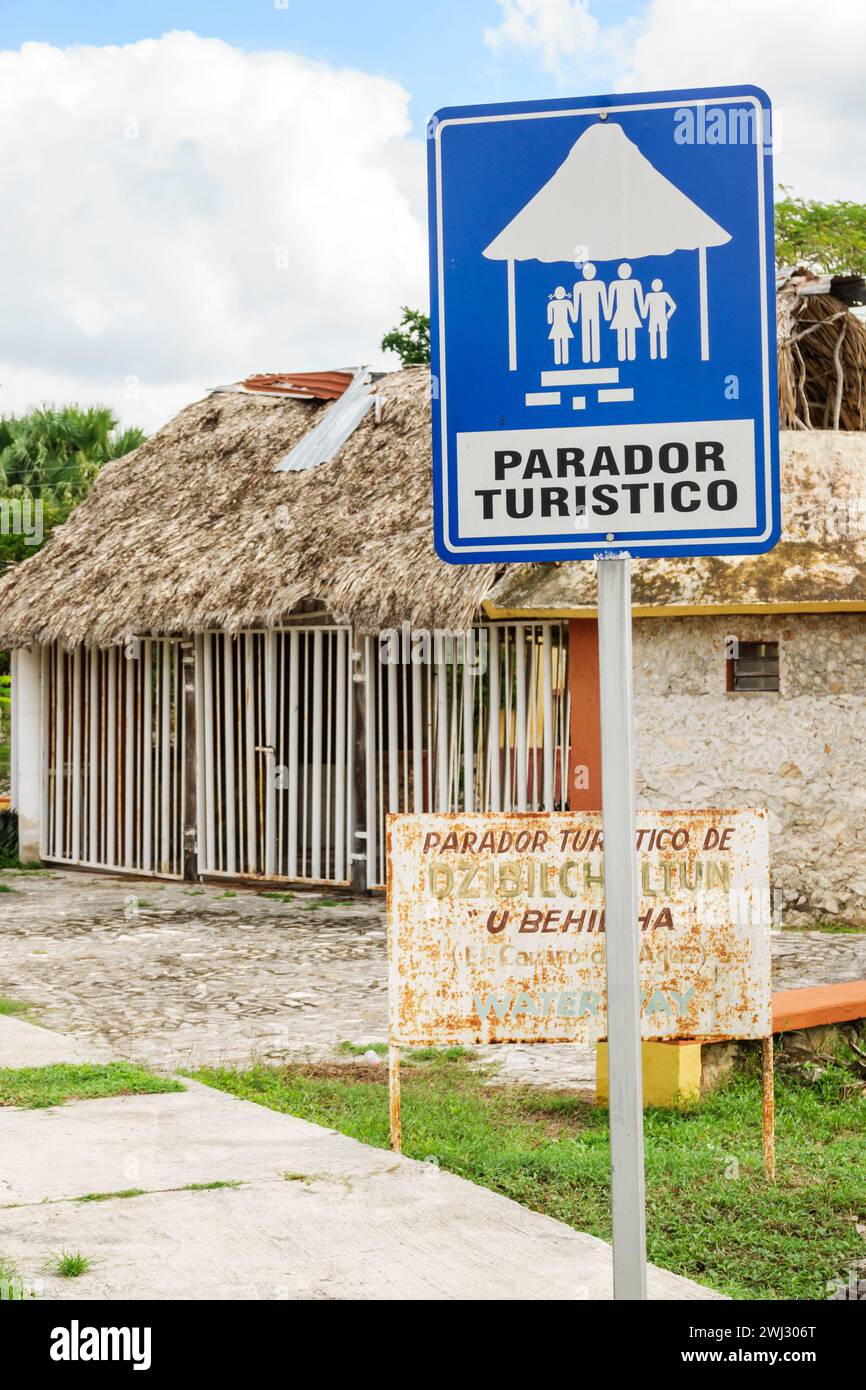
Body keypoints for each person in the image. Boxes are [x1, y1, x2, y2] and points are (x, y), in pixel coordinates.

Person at [571, 262, 610, 364]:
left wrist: (607, 314)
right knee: (585, 334)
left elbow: (603, 300)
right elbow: (576, 302)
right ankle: (586, 357)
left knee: (595, 333)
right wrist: (574, 316)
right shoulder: (578, 286)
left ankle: (596, 357)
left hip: (594, 313)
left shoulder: (599, 284)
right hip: (585, 314)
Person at [608, 262, 646, 362]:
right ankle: (621, 356)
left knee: (630, 334)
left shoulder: (635, 283)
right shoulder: (614, 284)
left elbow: (639, 298)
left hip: (631, 312)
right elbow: (611, 301)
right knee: (621, 334)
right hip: (620, 313)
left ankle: (631, 356)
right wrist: (608, 313)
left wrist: (643, 312)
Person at [644, 277, 677, 359]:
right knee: (653, 335)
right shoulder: (649, 296)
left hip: (662, 319)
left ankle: (663, 355)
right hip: (653, 319)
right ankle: (653, 355)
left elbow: (673, 306)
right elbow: (645, 310)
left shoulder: (664, 295)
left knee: (662, 335)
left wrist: (667, 316)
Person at [546, 286, 574, 365]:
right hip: (564, 325)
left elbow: (549, 320)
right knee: (563, 341)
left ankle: (559, 361)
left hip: (557, 325)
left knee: (558, 342)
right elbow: (573, 317)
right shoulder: (567, 303)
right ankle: (564, 360)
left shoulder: (552, 304)